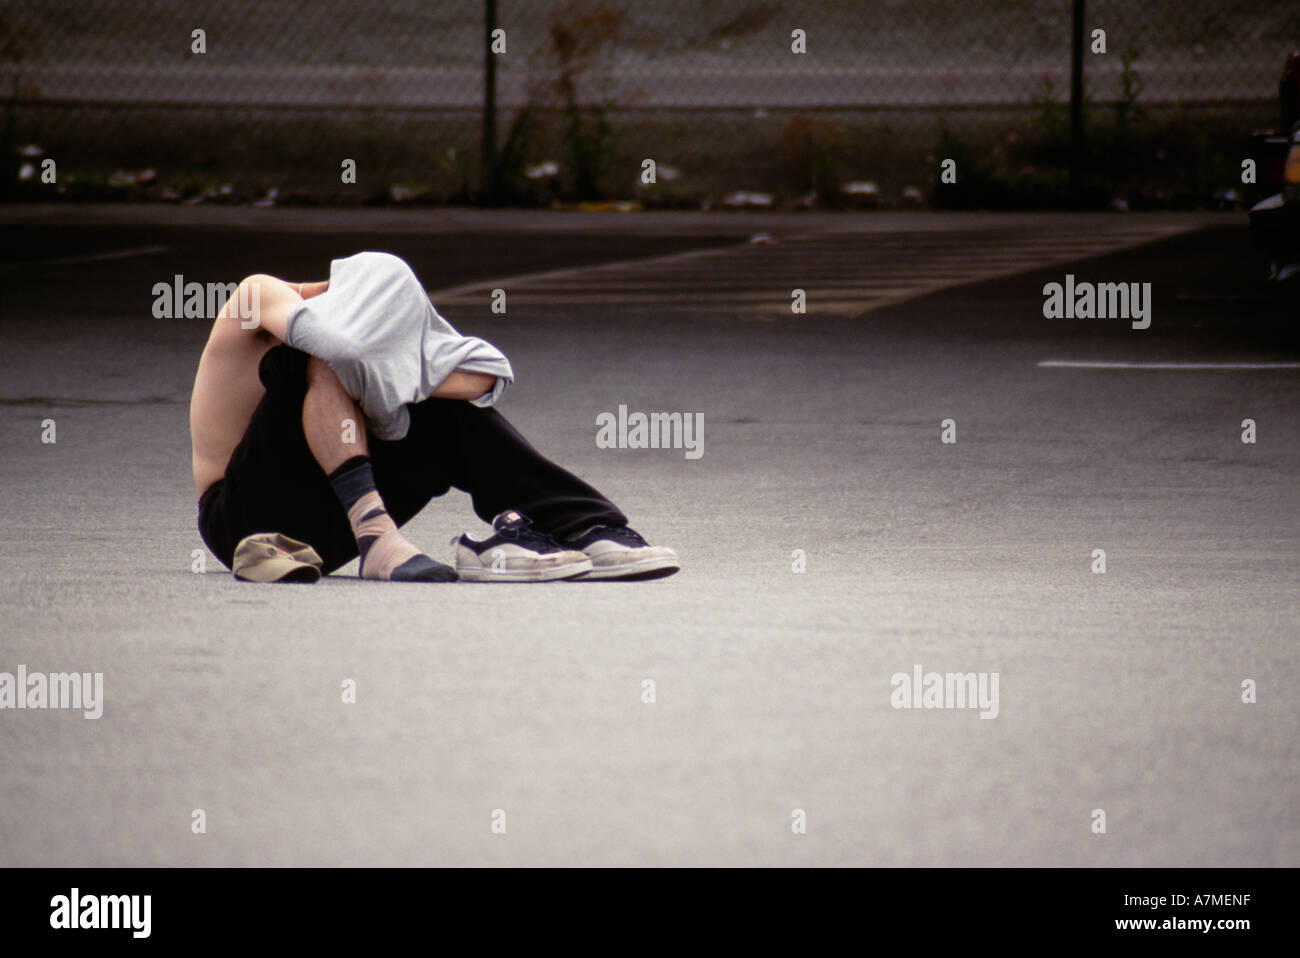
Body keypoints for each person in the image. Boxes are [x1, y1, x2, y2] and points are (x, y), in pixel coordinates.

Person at [189, 251, 679, 583]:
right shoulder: (257, 293)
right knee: (308, 361)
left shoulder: (374, 332)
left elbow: (485, 373)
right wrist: (409, 371)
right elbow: (336, 348)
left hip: (326, 528)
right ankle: (378, 538)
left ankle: (582, 527)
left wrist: (410, 379)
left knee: (432, 409)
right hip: (243, 521)